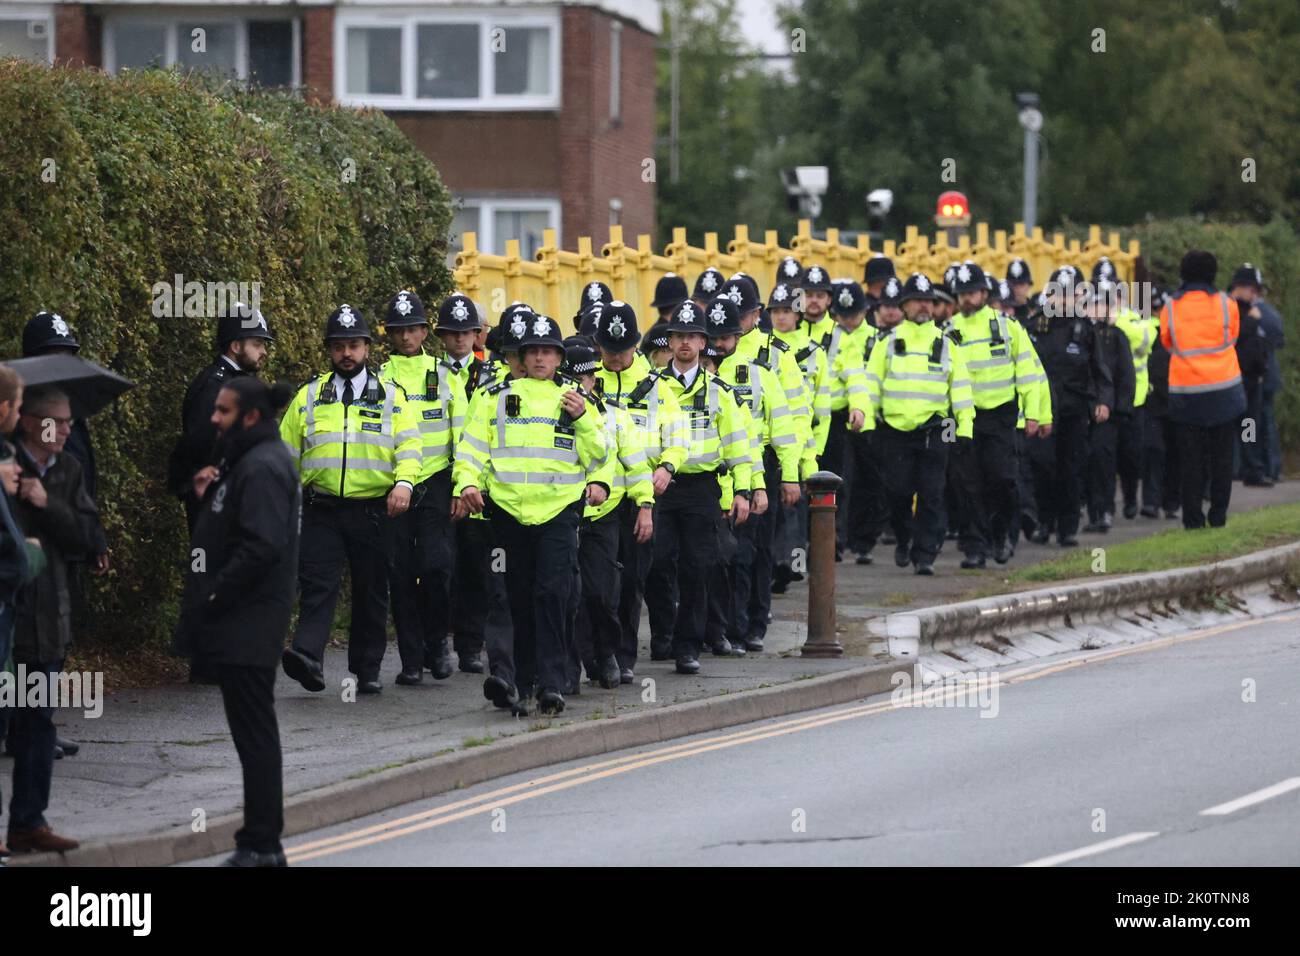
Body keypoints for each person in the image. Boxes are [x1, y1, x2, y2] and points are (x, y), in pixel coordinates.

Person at [452, 314, 607, 716]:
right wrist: (466, 484)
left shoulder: (577, 398)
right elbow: (471, 447)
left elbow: (600, 454)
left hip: (558, 514)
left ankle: (553, 685)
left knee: (554, 596)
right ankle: (521, 683)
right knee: (517, 600)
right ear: (522, 356)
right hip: (507, 514)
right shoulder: (493, 396)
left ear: (558, 357)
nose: (540, 358)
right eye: (533, 351)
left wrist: (584, 419)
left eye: (548, 352)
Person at [177, 377, 299, 867]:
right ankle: (258, 839)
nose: (214, 418)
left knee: (256, 735)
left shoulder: (265, 465)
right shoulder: (247, 462)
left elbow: (262, 545)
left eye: (223, 412)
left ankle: (262, 843)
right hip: (240, 624)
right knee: (251, 734)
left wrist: (215, 592)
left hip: (249, 624)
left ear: (249, 416)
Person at [279, 305, 421, 695]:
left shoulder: (391, 397)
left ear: (367, 348)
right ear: (329, 350)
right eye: (339, 346)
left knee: (371, 589)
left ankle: (367, 668)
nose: (347, 353)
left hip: (374, 509)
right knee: (318, 583)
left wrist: (405, 484)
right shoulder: (309, 396)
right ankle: (307, 657)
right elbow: (285, 454)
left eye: (354, 345)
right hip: (322, 507)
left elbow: (410, 445)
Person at [6, 386, 100, 854]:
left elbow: (85, 535)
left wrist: (47, 503)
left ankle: (28, 821)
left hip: (48, 622)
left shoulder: (67, 470)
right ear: (28, 422)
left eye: (67, 421)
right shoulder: (5, 464)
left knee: (38, 721)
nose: (65, 429)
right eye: (55, 421)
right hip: (11, 619)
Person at [655, 301, 753, 674]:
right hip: (662, 487)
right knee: (659, 563)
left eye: (692, 336)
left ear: (701, 342)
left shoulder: (719, 391)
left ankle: (687, 647)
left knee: (699, 566)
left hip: (701, 487)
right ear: (670, 340)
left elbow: (738, 445)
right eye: (678, 336)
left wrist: (742, 490)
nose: (684, 343)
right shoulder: (654, 387)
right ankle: (663, 635)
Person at [591, 300, 685, 675]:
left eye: (622, 350)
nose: (615, 358)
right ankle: (598, 653)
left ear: (635, 346)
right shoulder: (585, 379)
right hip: (596, 499)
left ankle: (623, 657)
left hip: (640, 496)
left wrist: (666, 466)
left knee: (631, 579)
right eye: (609, 351)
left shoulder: (656, 387)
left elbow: (678, 436)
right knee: (599, 584)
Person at [379, 291, 466, 685]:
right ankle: (411, 659)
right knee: (399, 573)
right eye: (398, 331)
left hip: (436, 482)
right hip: (393, 487)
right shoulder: (380, 378)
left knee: (436, 567)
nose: (405, 337)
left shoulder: (446, 376)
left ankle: (437, 645)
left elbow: (464, 435)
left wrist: (463, 486)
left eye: (412, 329)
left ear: (424, 331)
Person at [709, 293, 802, 654]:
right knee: (724, 553)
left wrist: (791, 475)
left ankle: (753, 624)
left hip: (760, 465)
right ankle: (725, 626)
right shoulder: (701, 375)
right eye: (713, 338)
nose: (719, 345)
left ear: (737, 336)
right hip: (715, 470)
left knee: (755, 550)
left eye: (725, 338)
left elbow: (784, 427)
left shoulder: (760, 373)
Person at [864, 274, 974, 575]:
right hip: (895, 432)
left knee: (932, 494)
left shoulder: (946, 343)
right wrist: (866, 420)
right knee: (897, 492)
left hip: (934, 430)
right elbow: (871, 384)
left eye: (929, 300)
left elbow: (961, 388)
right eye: (918, 301)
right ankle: (904, 537)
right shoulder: (886, 342)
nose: (925, 306)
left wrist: (964, 428)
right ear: (905, 305)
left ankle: (926, 553)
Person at [564, 336, 653, 688]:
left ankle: (606, 654)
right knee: (568, 597)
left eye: (583, 379)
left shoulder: (614, 416)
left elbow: (636, 464)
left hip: (605, 518)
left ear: (593, 380)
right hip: (561, 517)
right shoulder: (548, 415)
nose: (578, 386)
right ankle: (570, 669)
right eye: (571, 379)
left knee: (601, 594)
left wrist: (645, 505)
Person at [1027, 268, 1114, 546]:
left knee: (1071, 468)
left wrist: (1103, 400)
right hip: (1042, 410)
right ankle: (1044, 521)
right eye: (1058, 294)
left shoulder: (1085, 328)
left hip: (1074, 409)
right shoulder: (1036, 326)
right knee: (1042, 466)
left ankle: (1068, 527)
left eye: (1070, 294)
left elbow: (1099, 369)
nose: (1063, 301)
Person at [168, 304, 274, 532]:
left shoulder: (236, 383)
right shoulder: (215, 387)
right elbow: (202, 444)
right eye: (257, 344)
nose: (263, 351)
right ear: (236, 346)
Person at [1161, 250, 1247, 529]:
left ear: (1183, 274)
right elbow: (1232, 336)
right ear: (1213, 273)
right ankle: (1218, 515)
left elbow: (1167, 342)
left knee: (1190, 459)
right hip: (1224, 391)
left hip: (1186, 394)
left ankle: (1193, 518)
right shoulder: (1226, 303)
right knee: (1223, 457)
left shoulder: (1170, 307)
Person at [1083, 276, 1136, 534]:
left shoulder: (1116, 337)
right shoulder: (1080, 335)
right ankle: (1090, 510)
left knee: (1103, 461)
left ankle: (1103, 510)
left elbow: (1126, 375)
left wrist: (1117, 409)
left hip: (1107, 412)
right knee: (1084, 461)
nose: (1095, 310)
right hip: (1081, 409)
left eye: (1100, 305)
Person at [1227, 264, 1280, 487]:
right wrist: (1252, 321)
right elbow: (1234, 338)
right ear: (1241, 287)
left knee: (1249, 425)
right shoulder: (1230, 309)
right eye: (1252, 289)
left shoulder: (1251, 310)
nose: (1255, 294)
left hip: (1251, 380)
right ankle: (1234, 468)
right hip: (1234, 379)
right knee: (1231, 426)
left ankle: (1252, 467)